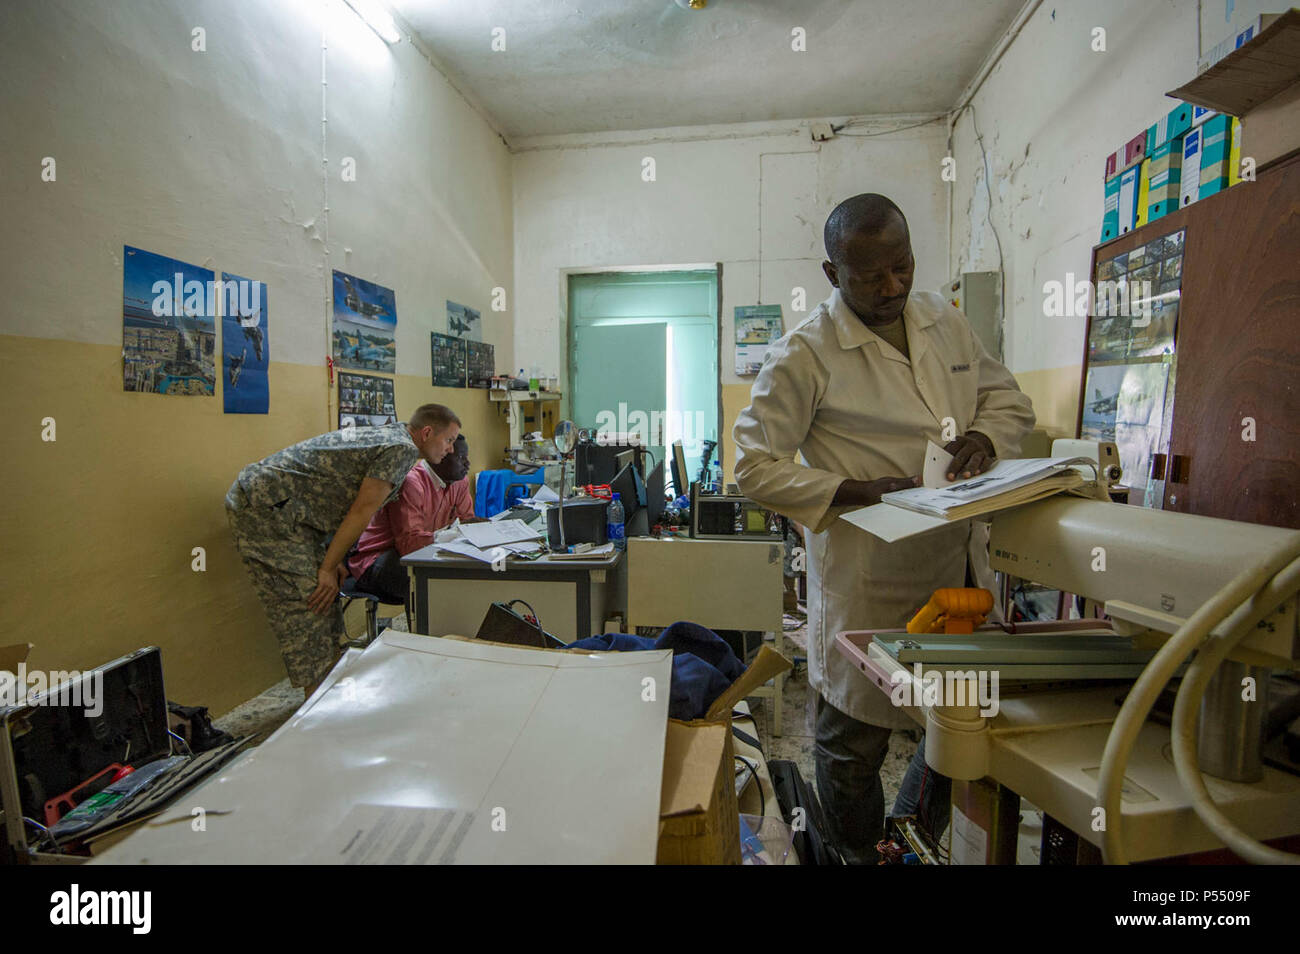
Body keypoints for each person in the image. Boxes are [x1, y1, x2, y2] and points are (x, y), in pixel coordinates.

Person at [733, 193, 1035, 863]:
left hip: (958, 572)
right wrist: (853, 489)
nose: (892, 287)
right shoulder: (805, 354)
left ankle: (907, 842)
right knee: (852, 747)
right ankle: (856, 857)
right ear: (832, 272)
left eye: (902, 267)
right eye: (870, 275)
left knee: (954, 726)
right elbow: (752, 466)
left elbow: (1006, 397)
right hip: (870, 582)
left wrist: (986, 434)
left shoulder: (943, 320)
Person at [225, 404, 461, 695]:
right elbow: (361, 510)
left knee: (327, 597)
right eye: (449, 440)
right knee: (308, 601)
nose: (451, 449)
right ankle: (316, 707)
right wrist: (326, 566)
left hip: (296, 516)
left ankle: (327, 692)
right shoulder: (400, 448)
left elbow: (339, 500)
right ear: (426, 433)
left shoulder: (398, 441)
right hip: (265, 506)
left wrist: (333, 559)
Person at [347, 433, 481, 600]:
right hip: (378, 559)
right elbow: (408, 544)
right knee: (435, 581)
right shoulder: (411, 482)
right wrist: (455, 532)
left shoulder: (459, 481)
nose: (467, 464)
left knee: (471, 569)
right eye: (461, 458)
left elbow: (467, 522)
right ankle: (427, 625)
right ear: (440, 457)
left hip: (421, 550)